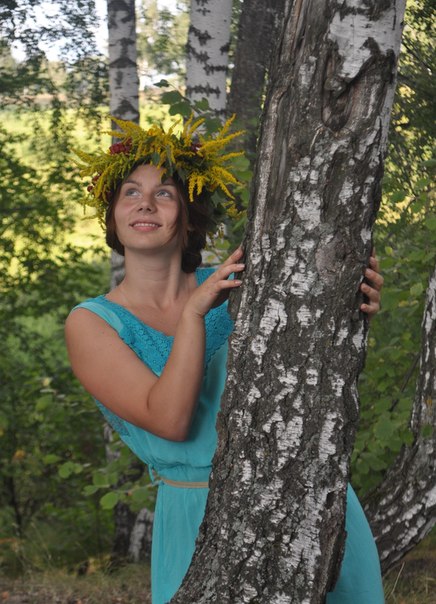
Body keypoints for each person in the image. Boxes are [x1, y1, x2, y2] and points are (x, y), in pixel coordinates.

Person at [66, 116, 385, 603]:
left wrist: (352, 305)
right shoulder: (92, 324)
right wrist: (194, 315)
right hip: (200, 521)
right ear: (112, 216)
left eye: (165, 193)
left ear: (191, 216)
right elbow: (171, 421)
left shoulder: (242, 282)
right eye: (130, 192)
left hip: (308, 499)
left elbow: (315, 368)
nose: (145, 203)